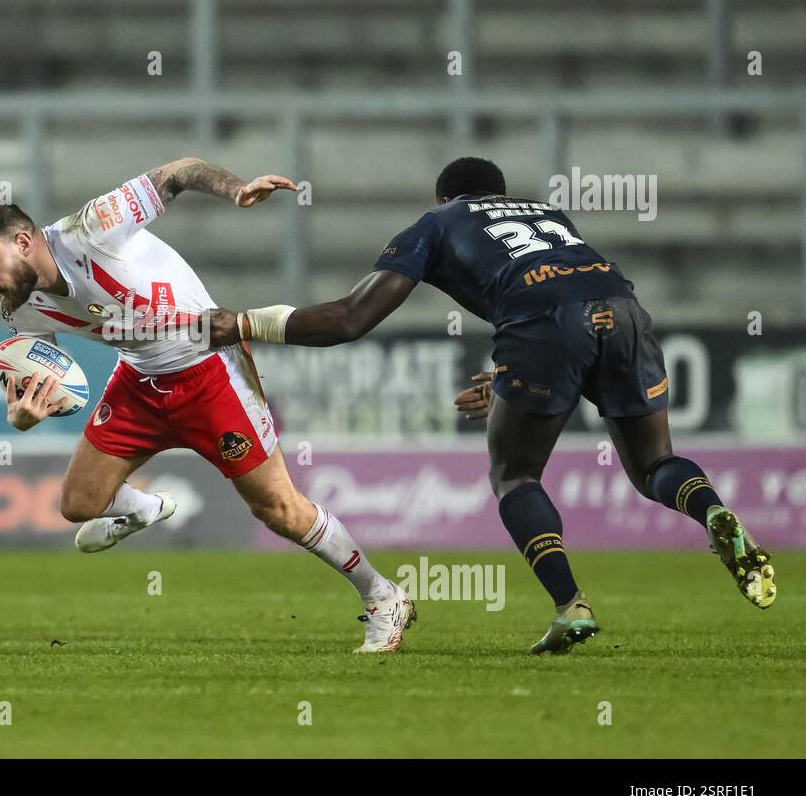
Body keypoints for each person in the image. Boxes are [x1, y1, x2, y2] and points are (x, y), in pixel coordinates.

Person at [205, 156, 776, 654]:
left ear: (446, 196)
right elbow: (561, 291)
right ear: (500, 192)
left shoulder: (438, 222)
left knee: (515, 474)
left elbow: (352, 318)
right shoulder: (548, 214)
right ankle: (712, 513)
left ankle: (572, 604)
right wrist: (512, 373)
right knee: (653, 465)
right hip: (621, 307)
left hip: (542, 327)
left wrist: (248, 323)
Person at [0, 159, 414, 654]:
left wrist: (238, 190)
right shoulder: (19, 304)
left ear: (23, 242)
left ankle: (382, 594)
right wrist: (20, 418)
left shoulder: (93, 228)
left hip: (209, 370)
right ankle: (146, 510)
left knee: (279, 509)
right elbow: (34, 375)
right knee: (78, 506)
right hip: (137, 379)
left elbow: (180, 172)